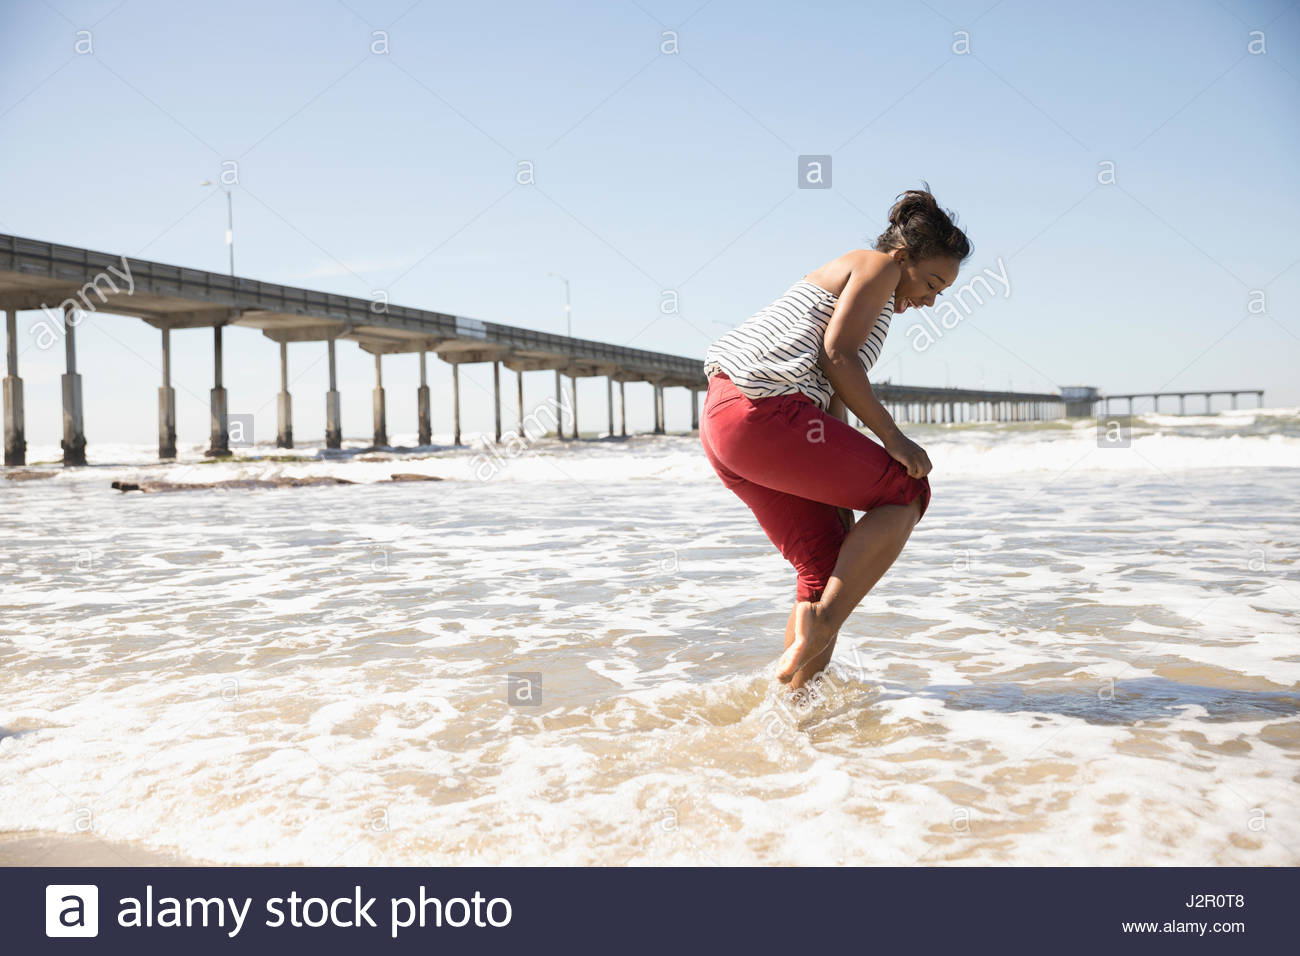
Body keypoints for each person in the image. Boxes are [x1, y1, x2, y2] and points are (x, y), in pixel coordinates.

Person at [699, 183, 973, 690]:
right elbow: (838, 356)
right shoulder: (877, 265)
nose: (932, 301)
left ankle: (795, 710)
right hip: (765, 415)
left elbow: (831, 396)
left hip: (726, 424)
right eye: (932, 282)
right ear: (905, 256)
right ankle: (823, 625)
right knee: (908, 491)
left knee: (825, 570)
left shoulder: (864, 288)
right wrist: (894, 439)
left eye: (942, 292)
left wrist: (839, 490)